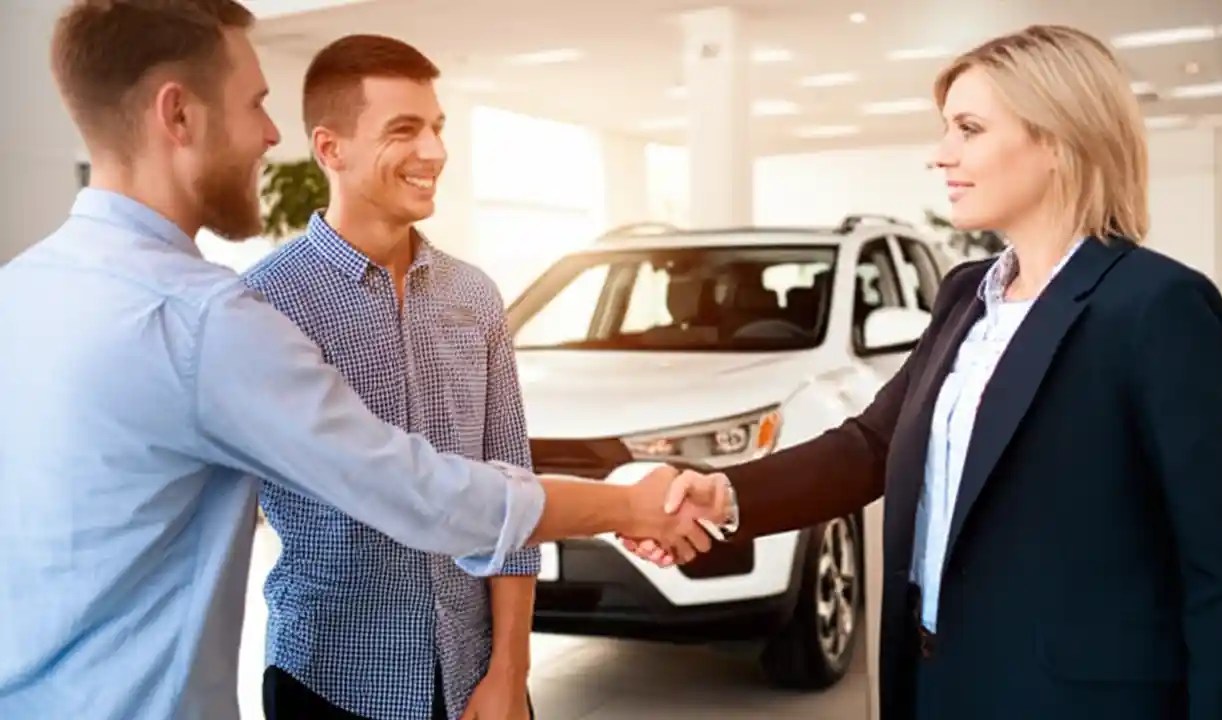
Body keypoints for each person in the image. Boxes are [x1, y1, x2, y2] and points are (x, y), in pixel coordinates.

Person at [0, 3, 723, 719]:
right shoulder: (214, 320)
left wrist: (510, 662)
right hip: (313, 680)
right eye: (254, 102)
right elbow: (424, 495)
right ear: (178, 115)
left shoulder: (22, 291)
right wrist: (629, 505)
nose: (269, 132)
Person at [636, 24, 1222, 720]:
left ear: (1058, 139)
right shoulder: (966, 294)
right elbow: (871, 446)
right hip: (935, 680)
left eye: (968, 128)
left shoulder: (1158, 307)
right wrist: (725, 495)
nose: (941, 156)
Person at [243, 34, 539, 720]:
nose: (434, 151)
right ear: (330, 148)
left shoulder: (476, 297)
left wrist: (508, 672)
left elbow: (513, 487)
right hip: (328, 679)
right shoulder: (263, 306)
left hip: (475, 676)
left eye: (436, 127)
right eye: (404, 130)